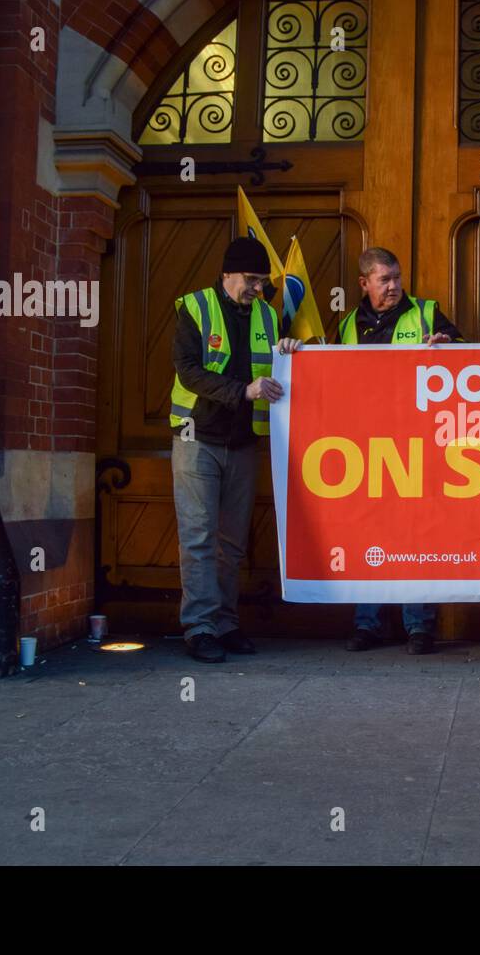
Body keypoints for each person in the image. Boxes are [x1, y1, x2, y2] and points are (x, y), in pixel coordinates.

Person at [170, 236, 302, 664]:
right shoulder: (194, 307)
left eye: (263, 281)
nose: (258, 288)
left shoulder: (266, 312)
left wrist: (288, 351)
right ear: (227, 273)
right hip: (197, 438)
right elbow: (188, 372)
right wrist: (241, 391)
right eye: (251, 279)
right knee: (199, 538)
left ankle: (225, 624)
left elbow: (276, 363)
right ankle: (200, 628)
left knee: (232, 543)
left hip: (244, 443)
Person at [338, 246, 464, 655]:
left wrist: (448, 345)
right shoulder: (345, 326)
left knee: (416, 532)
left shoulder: (427, 312)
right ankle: (367, 625)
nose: (393, 286)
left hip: (419, 442)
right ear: (364, 283)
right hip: (368, 446)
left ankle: (419, 627)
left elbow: (470, 360)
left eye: (397, 277)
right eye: (384, 279)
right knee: (369, 531)